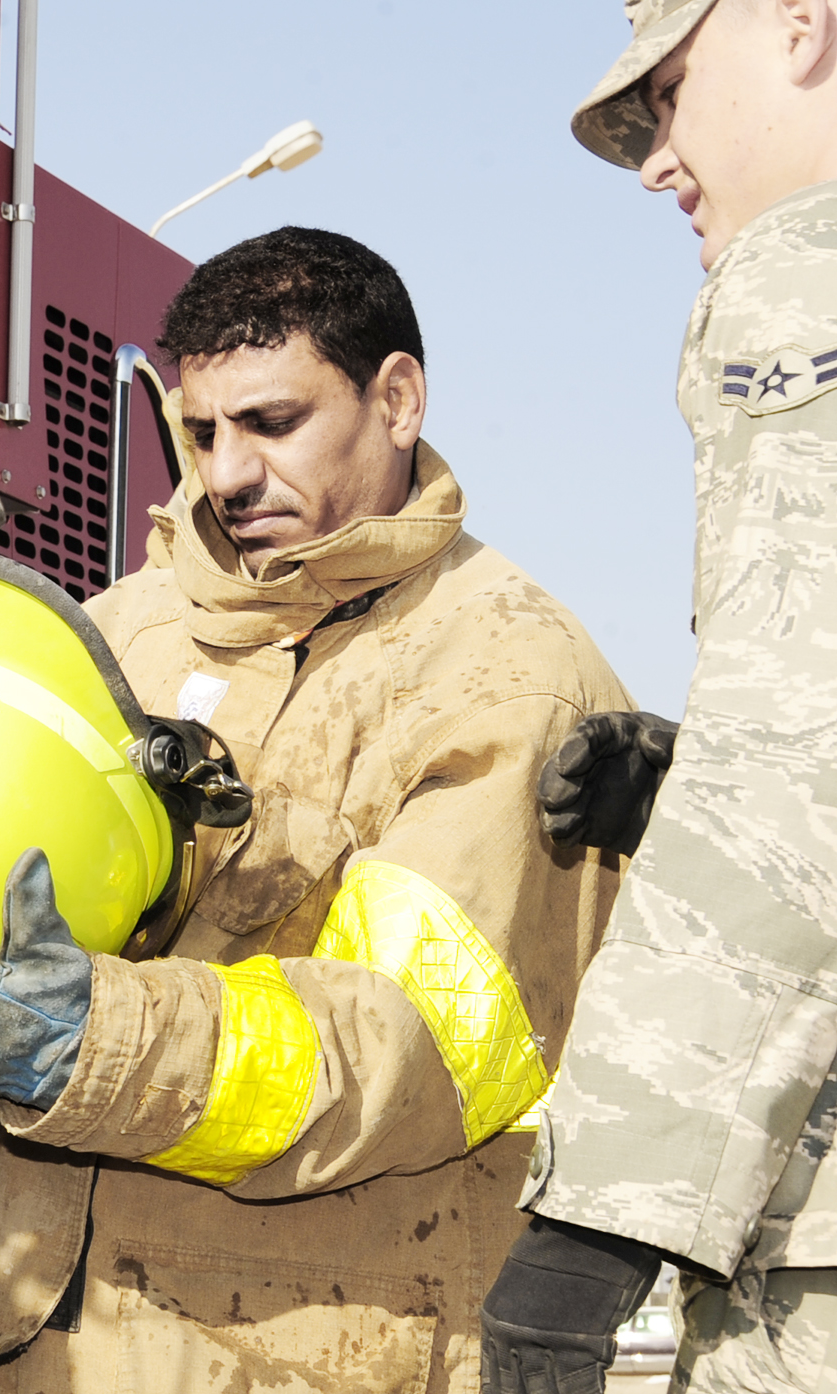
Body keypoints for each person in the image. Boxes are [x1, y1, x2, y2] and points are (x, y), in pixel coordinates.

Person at [0, 227, 631, 1393]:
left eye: (273, 423)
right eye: (201, 431)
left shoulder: (510, 675)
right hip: (3, 1343)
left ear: (397, 398)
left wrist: (89, 1042)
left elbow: (419, 1047)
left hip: (303, 1353)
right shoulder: (115, 629)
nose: (226, 472)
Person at [478, 3, 837, 1391]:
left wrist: (591, 1225)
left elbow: (810, 733)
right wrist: (697, 781)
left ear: (801, 23)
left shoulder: (804, 275)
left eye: (671, 90)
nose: (656, 160)